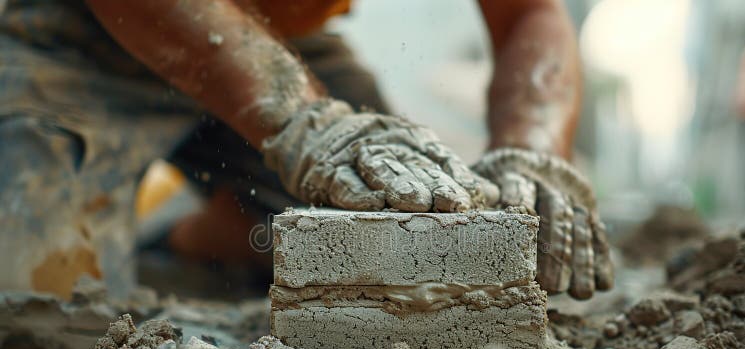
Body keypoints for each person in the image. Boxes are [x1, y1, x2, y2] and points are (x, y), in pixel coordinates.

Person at [0, 0, 612, 300]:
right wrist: (304, 121)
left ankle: (185, 244)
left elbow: (530, 13)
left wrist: (533, 150)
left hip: (277, 32)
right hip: (81, 30)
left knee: (415, 234)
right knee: (33, 300)